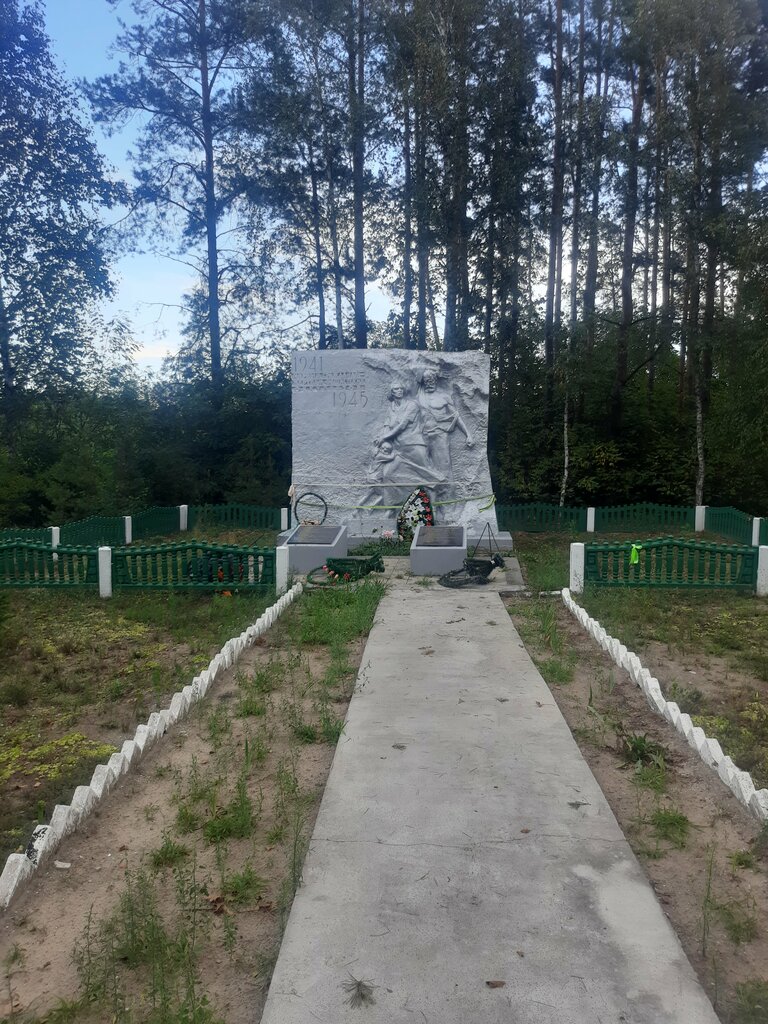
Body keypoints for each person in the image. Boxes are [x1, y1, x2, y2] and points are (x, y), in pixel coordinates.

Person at [417, 368, 473, 481]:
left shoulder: (444, 397)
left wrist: (468, 434)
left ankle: (449, 494)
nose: (429, 383)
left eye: (431, 380)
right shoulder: (418, 396)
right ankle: (426, 496)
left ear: (436, 381)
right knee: (422, 469)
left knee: (445, 467)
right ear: (423, 382)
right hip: (421, 436)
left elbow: (456, 417)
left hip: (440, 436)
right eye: (426, 381)